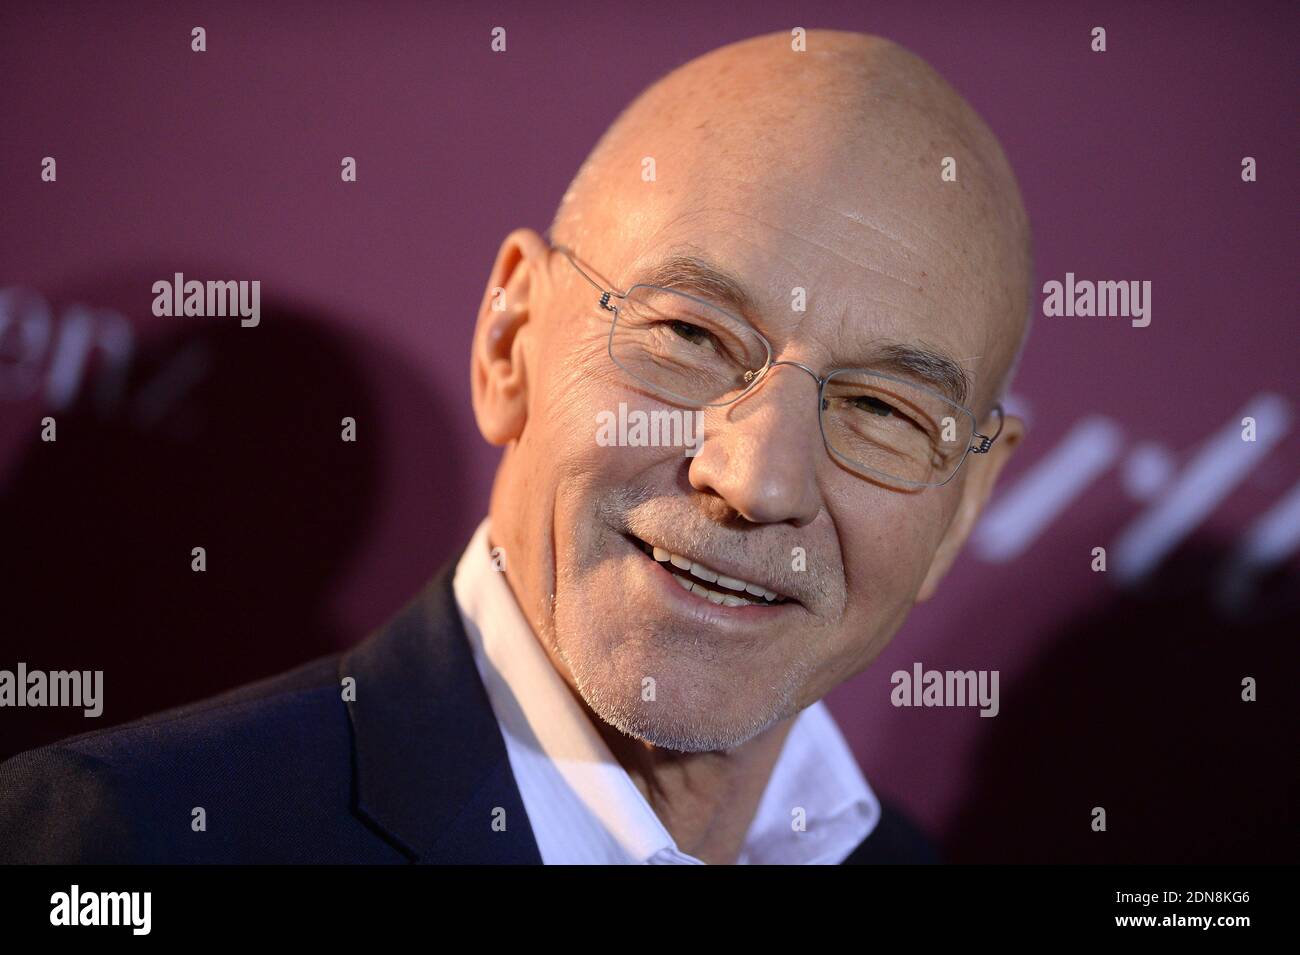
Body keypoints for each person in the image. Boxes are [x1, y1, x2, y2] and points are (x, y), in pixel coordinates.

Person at [0, 28, 1031, 864]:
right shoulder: (135, 842)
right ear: (509, 341)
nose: (756, 478)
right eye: (689, 337)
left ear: (964, 505)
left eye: (882, 410)